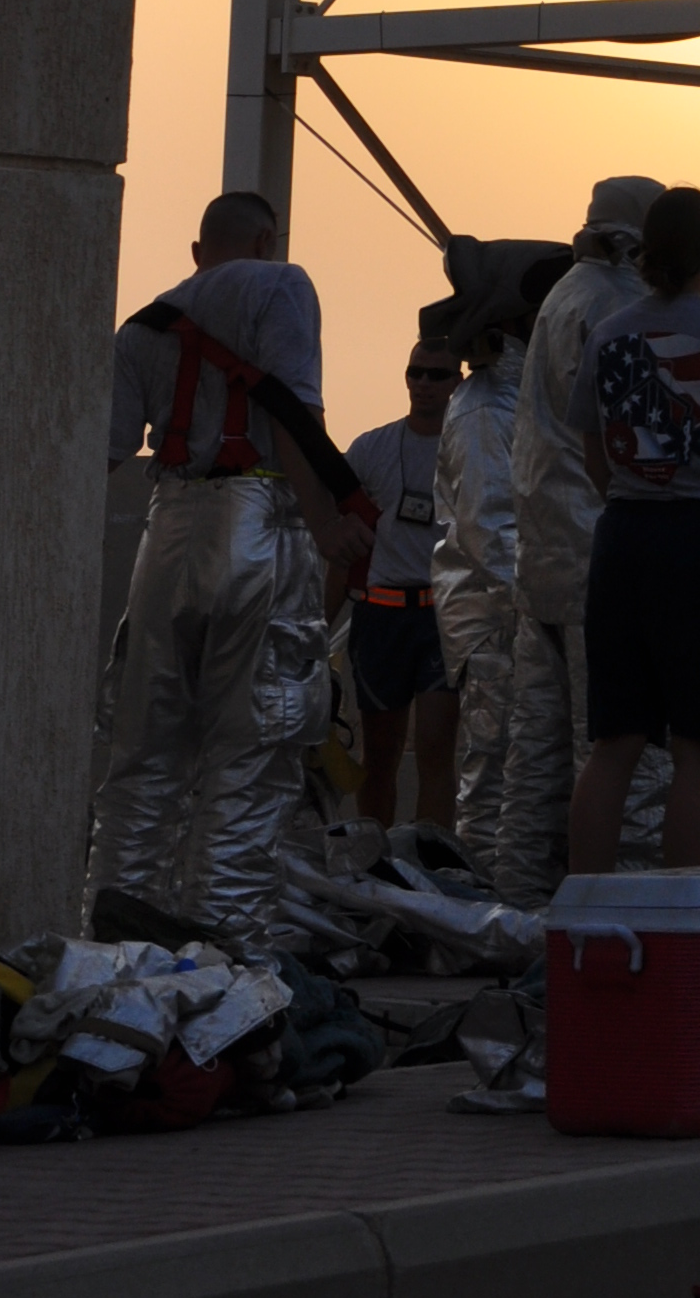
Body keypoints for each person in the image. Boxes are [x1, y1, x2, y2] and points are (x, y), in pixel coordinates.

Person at [88, 188, 372, 946]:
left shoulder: (141, 326)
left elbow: (110, 452)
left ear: (196, 252)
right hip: (257, 525)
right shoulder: (281, 285)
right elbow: (293, 414)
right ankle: (226, 960)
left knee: (142, 759)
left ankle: (113, 949)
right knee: (249, 759)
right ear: (266, 239)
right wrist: (323, 520)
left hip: (166, 532)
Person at [564, 187, 700, 874]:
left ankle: (587, 910)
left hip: (625, 536)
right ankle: (684, 913)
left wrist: (635, 501)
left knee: (615, 741)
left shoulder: (609, 334)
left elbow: (594, 455)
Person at [498, 173, 665, 903]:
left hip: (543, 559)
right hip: (606, 558)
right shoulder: (619, 308)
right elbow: (640, 444)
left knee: (537, 748)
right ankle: (629, 900)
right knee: (626, 744)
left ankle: (521, 896)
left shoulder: (563, 296)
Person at [337, 341, 462, 836]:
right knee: (380, 753)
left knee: (435, 747)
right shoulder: (372, 448)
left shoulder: (469, 447)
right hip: (381, 614)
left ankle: (432, 862)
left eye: (437, 375)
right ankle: (371, 863)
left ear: (458, 382)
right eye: (417, 373)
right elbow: (338, 536)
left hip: (442, 614)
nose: (425, 383)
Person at [432, 317, 525, 886]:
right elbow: (490, 528)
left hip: (515, 614)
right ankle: (488, 902)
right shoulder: (488, 409)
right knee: (495, 771)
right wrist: (541, 607)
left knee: (519, 770)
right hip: (498, 621)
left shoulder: (519, 399)